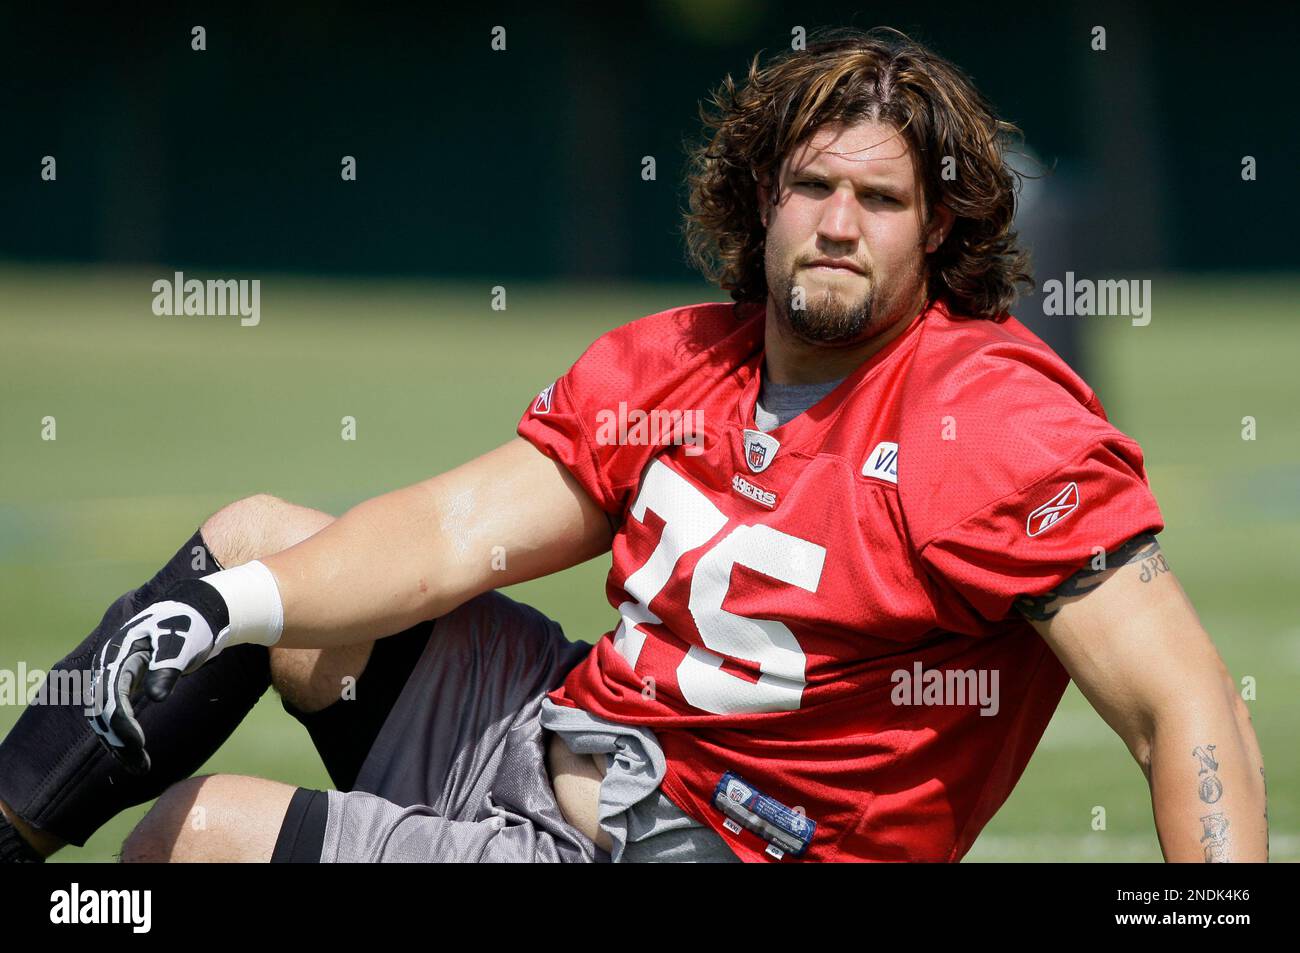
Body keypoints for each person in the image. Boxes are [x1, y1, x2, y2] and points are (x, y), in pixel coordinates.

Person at [0, 26, 1267, 864]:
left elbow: (1182, 701)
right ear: (758, 198)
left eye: (879, 200)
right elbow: (448, 536)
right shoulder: (678, 360)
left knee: (193, 838)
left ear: (936, 232)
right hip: (574, 748)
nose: (837, 224)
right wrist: (230, 603)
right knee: (263, 540)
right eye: (811, 188)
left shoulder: (991, 415)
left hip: (712, 847)